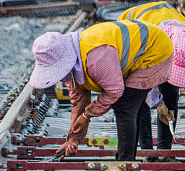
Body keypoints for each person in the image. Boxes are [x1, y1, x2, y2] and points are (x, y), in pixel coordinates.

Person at [29, 20, 174, 162]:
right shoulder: (76, 59)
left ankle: (125, 164)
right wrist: (73, 139)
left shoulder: (96, 58)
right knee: (132, 104)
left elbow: (115, 91)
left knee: (124, 106)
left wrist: (87, 115)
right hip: (142, 50)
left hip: (155, 51)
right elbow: (79, 100)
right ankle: (129, 158)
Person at [118, 1, 185, 149]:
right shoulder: (146, 41)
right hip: (132, 34)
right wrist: (157, 103)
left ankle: (164, 151)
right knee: (139, 98)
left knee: (171, 93)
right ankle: (147, 151)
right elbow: (139, 80)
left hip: (161, 34)